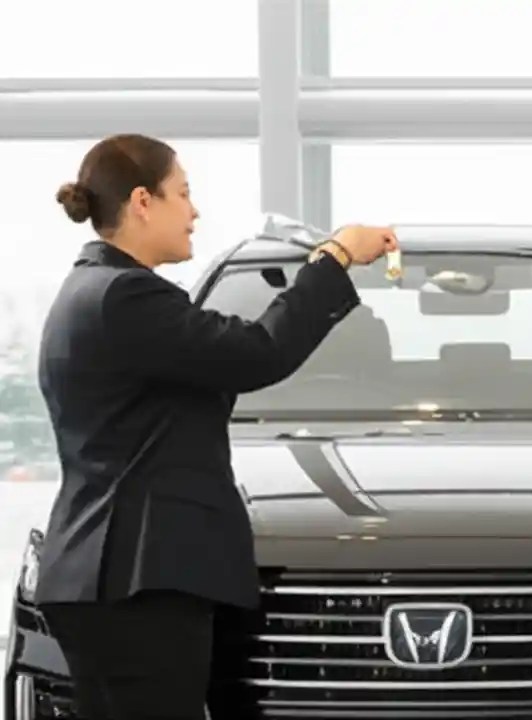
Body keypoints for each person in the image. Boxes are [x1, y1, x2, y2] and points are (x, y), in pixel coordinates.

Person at [32, 133, 400, 720]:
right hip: (139, 585)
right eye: (184, 193)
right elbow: (255, 354)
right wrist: (333, 257)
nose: (195, 210)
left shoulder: (87, 291)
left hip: (104, 577)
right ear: (143, 201)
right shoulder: (127, 296)